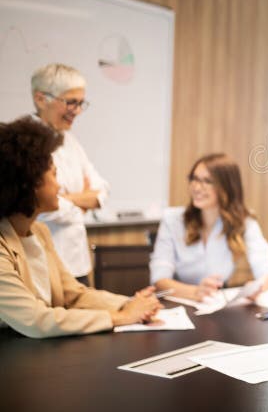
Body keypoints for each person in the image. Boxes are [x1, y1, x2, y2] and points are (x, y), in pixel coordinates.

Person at [0, 116, 161, 338]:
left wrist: (130, 304)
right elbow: (35, 319)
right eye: (54, 175)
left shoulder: (39, 232)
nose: (60, 185)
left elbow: (73, 294)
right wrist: (121, 317)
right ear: (30, 183)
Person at [149, 153, 268, 301]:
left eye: (207, 181)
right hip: (178, 303)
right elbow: (159, 281)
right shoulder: (172, 220)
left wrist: (258, 287)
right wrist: (195, 292)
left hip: (215, 305)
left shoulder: (244, 222)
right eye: (194, 179)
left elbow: (266, 271)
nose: (196, 187)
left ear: (227, 187)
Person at [31, 63, 109, 284]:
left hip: (77, 264)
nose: (76, 110)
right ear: (40, 99)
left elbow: (101, 191)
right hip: (43, 268)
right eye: (70, 102)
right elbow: (40, 208)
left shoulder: (71, 141)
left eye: (80, 103)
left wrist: (68, 200)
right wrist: (83, 202)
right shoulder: (26, 144)